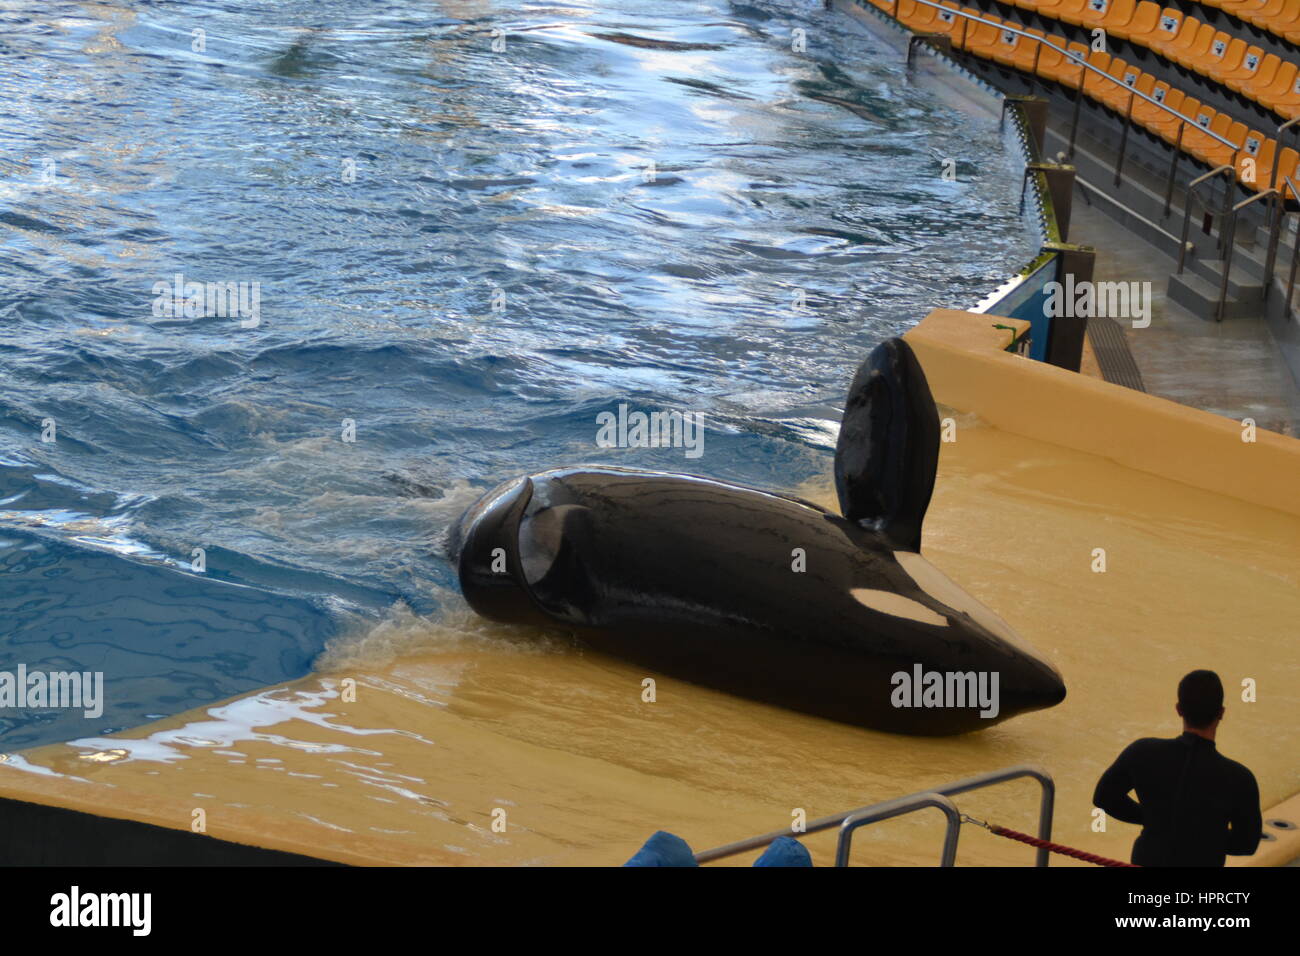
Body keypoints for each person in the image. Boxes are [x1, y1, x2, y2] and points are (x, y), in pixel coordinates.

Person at [1093, 670, 1262, 866]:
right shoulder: (1239, 778)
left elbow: (1104, 797)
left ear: (1179, 709)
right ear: (1221, 712)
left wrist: (1153, 819)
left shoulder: (1143, 752)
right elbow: (1247, 843)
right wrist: (1205, 837)